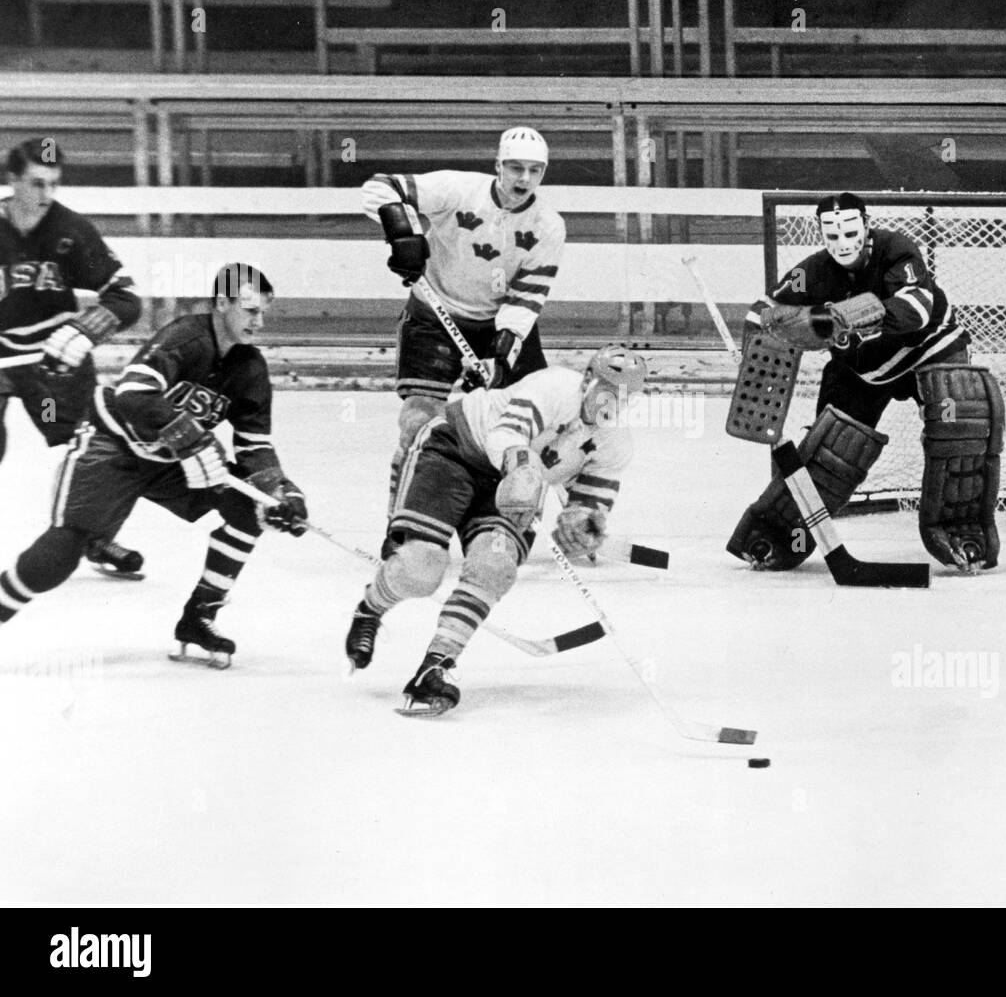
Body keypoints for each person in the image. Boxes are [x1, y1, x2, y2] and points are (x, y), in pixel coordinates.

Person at [0, 264, 309, 667]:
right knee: (61, 552)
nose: (260, 322)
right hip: (114, 445)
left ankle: (199, 617)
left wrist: (281, 492)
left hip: (172, 463)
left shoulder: (250, 369)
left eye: (264, 312)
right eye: (251, 311)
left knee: (248, 509)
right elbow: (132, 393)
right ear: (222, 303)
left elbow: (254, 447)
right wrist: (192, 439)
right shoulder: (186, 336)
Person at [344, 344, 647, 716]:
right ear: (587, 380)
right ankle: (369, 610)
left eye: (625, 398)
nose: (612, 406)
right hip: (455, 450)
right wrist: (523, 469)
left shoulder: (615, 443)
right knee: (421, 569)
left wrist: (582, 527)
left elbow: (588, 505)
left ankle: (434, 669)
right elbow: (505, 436)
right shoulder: (553, 387)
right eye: (608, 392)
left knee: (494, 567)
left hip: (517, 490)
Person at [727, 191, 1002, 573]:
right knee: (831, 450)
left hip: (929, 350)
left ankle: (962, 530)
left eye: (850, 232)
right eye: (832, 235)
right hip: (863, 368)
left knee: (961, 421)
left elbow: (918, 308)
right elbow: (763, 312)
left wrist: (842, 316)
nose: (842, 243)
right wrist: (759, 346)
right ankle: (777, 531)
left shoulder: (896, 249)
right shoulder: (814, 271)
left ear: (867, 226)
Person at [359, 126, 566, 530]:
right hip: (433, 315)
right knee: (420, 421)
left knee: (536, 424)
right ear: (497, 166)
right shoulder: (457, 189)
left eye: (534, 170)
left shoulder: (548, 225)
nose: (524, 179)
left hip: (501, 324)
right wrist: (403, 232)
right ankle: (403, 521)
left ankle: (529, 516)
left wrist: (501, 358)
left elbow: (525, 300)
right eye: (515, 167)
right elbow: (380, 186)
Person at [0, 137, 146, 577]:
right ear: (11, 180)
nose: (46, 195)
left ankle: (95, 538)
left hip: (55, 363)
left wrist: (86, 330)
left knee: (99, 453)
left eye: (54, 185)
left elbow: (125, 297)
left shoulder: (71, 231)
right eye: (36, 183)